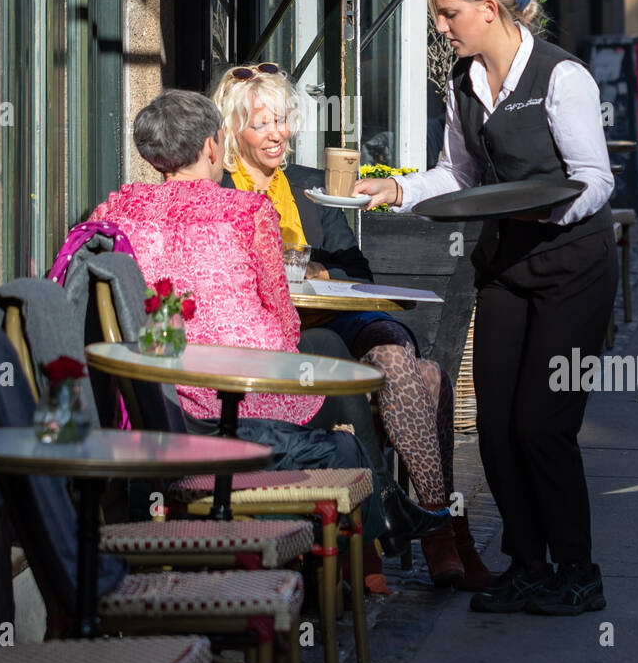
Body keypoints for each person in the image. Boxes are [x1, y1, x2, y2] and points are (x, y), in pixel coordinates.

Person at [354, 0, 618, 616]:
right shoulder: (462, 83)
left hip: (572, 270)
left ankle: (576, 573)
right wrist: (398, 191)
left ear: (488, 8)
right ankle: (527, 566)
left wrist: (540, 207)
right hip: (503, 268)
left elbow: (595, 181)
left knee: (543, 425)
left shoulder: (563, 79)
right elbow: (461, 178)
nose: (442, 29)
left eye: (448, 15)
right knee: (497, 427)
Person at [88, 88, 446, 554]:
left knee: (334, 355)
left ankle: (383, 513)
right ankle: (377, 513)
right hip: (237, 401)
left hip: (161, 396)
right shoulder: (246, 211)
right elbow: (282, 325)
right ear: (213, 147)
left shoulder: (116, 211)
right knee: (336, 369)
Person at [211, 64, 493, 591]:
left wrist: (321, 272)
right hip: (288, 334)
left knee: (394, 353)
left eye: (282, 121)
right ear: (233, 131)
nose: (277, 134)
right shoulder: (224, 194)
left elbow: (357, 273)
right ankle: (441, 532)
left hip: (340, 316)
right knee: (429, 377)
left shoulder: (310, 187)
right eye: (261, 123)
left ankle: (426, 524)